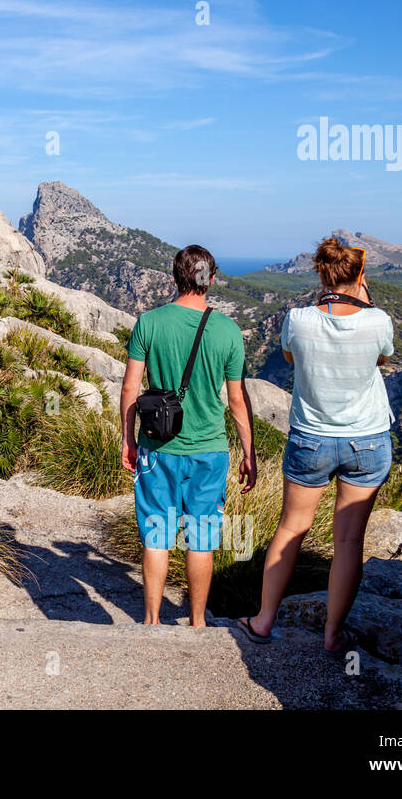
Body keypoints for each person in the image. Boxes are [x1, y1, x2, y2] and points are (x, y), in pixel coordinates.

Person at [237, 238, 394, 655]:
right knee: (348, 542)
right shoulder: (379, 321)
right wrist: (364, 300)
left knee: (291, 528)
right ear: (360, 275)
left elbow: (291, 359)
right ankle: (332, 635)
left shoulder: (298, 319)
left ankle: (264, 619)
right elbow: (380, 360)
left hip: (311, 439)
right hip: (367, 440)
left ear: (320, 274)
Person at [121, 245, 257, 628]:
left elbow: (131, 388)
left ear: (174, 276)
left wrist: (127, 439)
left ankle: (152, 621)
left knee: (158, 534)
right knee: (201, 537)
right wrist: (249, 453)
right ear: (210, 278)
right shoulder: (228, 330)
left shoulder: (149, 323)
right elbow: (236, 401)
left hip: (156, 448)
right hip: (209, 451)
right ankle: (197, 623)